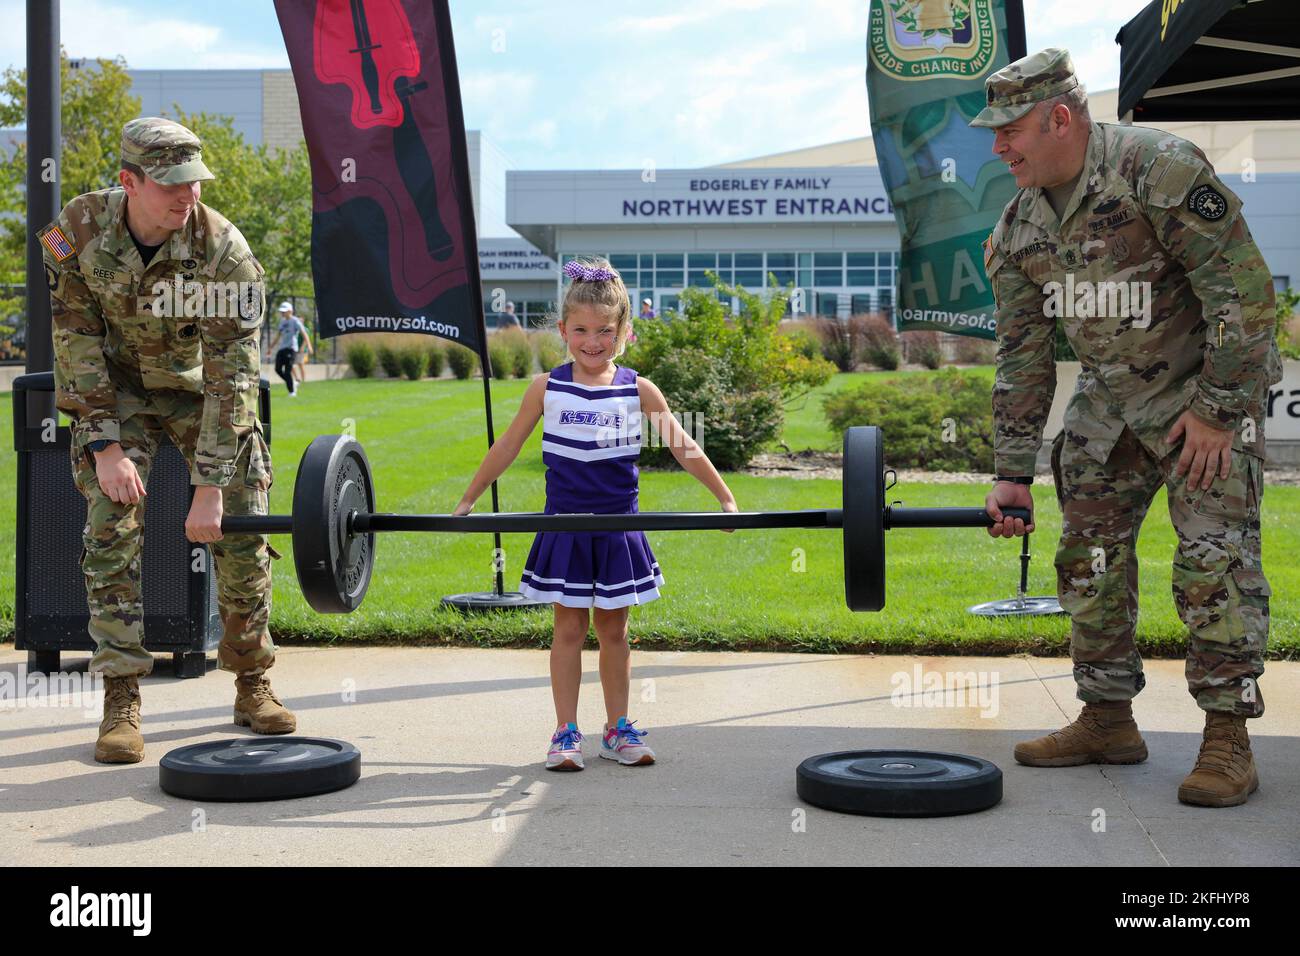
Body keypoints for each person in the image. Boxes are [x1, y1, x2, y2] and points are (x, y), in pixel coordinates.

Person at [973, 50, 1282, 807]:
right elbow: (1022, 357)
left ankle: (1227, 738)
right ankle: (1107, 717)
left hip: (1198, 404)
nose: (998, 147)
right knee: (1089, 561)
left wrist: (1215, 413)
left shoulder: (1160, 169)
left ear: (1060, 118)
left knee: (1213, 564)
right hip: (1108, 415)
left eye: (1010, 130)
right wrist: (1011, 470)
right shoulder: (1019, 229)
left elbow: (1244, 298)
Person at [40, 117, 296, 764]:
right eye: (172, 184)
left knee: (242, 521)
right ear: (129, 182)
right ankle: (121, 696)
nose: (188, 196)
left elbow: (234, 377)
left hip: (197, 390)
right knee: (111, 520)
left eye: (196, 182)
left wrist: (209, 486)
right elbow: (75, 343)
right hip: (118, 390)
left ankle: (251, 681)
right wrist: (104, 448)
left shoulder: (226, 252)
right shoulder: (74, 231)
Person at [454, 257, 738, 771]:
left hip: (616, 530)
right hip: (564, 528)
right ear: (563, 330)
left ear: (624, 332)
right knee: (567, 631)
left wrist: (725, 499)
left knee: (613, 632)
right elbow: (508, 446)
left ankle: (617, 729)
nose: (592, 341)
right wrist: (470, 498)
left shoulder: (638, 389)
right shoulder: (546, 388)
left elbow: (683, 446)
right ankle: (566, 733)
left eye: (604, 331)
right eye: (581, 330)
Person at [266, 301, 308, 396]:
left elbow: (304, 333)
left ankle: (292, 392)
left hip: (291, 349)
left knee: (288, 370)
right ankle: (292, 382)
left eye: (284, 311)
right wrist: (270, 348)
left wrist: (307, 346)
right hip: (282, 349)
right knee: (277, 369)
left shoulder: (295, 321)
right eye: (281, 311)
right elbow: (278, 336)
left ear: (290, 311)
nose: (282, 313)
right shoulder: (282, 322)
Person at [291, 308, 315, 388]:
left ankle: (303, 381)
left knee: (300, 365)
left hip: (302, 350)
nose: (299, 321)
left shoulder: (305, 329)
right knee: (291, 365)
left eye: (300, 320)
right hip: (295, 349)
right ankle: (297, 379)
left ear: (303, 320)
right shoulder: (296, 329)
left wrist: (302, 348)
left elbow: (306, 339)